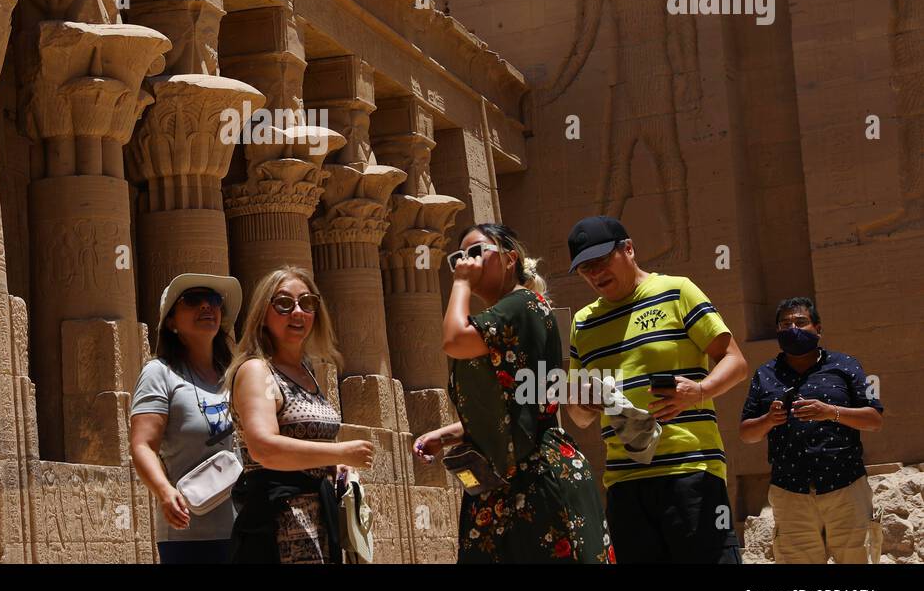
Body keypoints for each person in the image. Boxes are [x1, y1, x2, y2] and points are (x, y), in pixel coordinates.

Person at [415, 223, 614, 563]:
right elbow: (515, 404)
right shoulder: (502, 318)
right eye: (458, 258)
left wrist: (460, 282)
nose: (467, 262)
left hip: (536, 478)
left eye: (477, 252)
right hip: (503, 484)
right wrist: (447, 434)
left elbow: (453, 340)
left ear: (510, 259)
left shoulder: (522, 305)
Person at [565, 215, 750, 563]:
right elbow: (578, 417)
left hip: (690, 474)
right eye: (585, 268)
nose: (595, 273)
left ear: (629, 249)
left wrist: (699, 390)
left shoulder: (677, 291)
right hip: (623, 483)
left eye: (602, 261)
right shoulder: (582, 323)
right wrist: (583, 404)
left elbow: (735, 362)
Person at [226, 266, 374, 564]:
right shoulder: (257, 371)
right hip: (278, 524)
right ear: (262, 314)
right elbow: (264, 448)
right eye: (283, 303)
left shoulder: (308, 372)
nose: (297, 312)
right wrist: (338, 451)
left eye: (307, 303)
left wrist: (337, 468)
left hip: (320, 518)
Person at [739, 296, 884, 563]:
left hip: (846, 488)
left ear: (818, 329)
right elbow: (747, 433)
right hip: (790, 493)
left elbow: (874, 419)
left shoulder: (846, 365)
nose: (792, 328)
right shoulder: (765, 374)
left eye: (801, 322)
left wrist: (831, 412)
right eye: (785, 324)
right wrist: (769, 420)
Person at [131, 273, 243, 564]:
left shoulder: (236, 376)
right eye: (193, 300)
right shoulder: (159, 373)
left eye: (215, 301)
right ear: (171, 321)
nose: (207, 307)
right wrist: (164, 491)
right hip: (191, 533)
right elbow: (142, 445)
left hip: (245, 526)